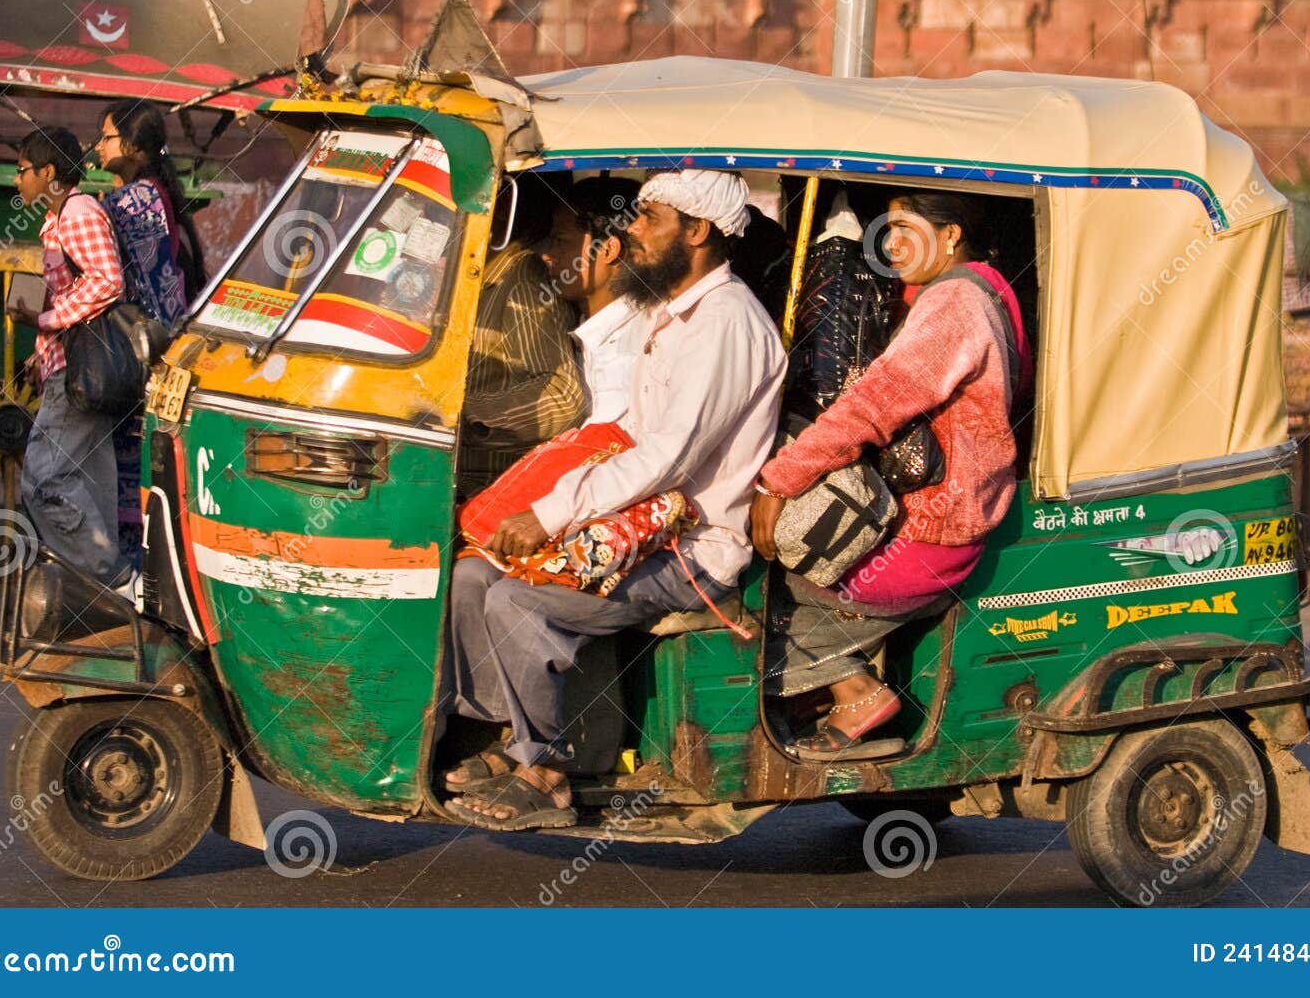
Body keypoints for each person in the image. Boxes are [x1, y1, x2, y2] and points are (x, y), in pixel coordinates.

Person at [441, 168, 786, 828]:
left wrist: (551, 513)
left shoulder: (725, 323)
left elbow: (668, 456)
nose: (631, 229)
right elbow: (628, 433)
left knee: (519, 599)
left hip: (690, 548)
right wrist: (552, 495)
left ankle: (545, 772)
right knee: (470, 575)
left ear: (698, 231)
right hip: (633, 523)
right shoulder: (668, 310)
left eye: (649, 218)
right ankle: (498, 736)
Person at [750, 190, 1031, 761]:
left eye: (907, 228)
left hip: (932, 531)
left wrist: (779, 480)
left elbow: (877, 403)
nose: (891, 242)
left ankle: (856, 693)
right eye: (887, 228)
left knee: (773, 588)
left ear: (951, 235)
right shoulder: (984, 287)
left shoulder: (955, 302)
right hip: (956, 511)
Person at [7, 127, 126, 585]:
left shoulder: (77, 213)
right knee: (89, 483)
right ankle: (106, 589)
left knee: (43, 480)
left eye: (23, 171)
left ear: (48, 172)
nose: (18, 181)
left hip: (78, 372)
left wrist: (47, 320)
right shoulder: (59, 218)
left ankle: (108, 578)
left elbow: (107, 281)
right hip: (69, 367)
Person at [92, 100, 191, 570]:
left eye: (106, 137)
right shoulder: (149, 192)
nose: (98, 145)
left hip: (142, 348)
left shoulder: (137, 200)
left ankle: (133, 573)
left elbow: (89, 224)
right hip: (151, 343)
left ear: (132, 146)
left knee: (131, 457)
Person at [456, 179, 588, 494]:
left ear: (503, 209)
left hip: (487, 485)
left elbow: (563, 396)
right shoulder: (469, 271)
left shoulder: (522, 278)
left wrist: (466, 417)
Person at [536, 176, 648, 424]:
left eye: (562, 242)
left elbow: (602, 446)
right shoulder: (582, 322)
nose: (547, 255)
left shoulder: (628, 352)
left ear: (608, 250)